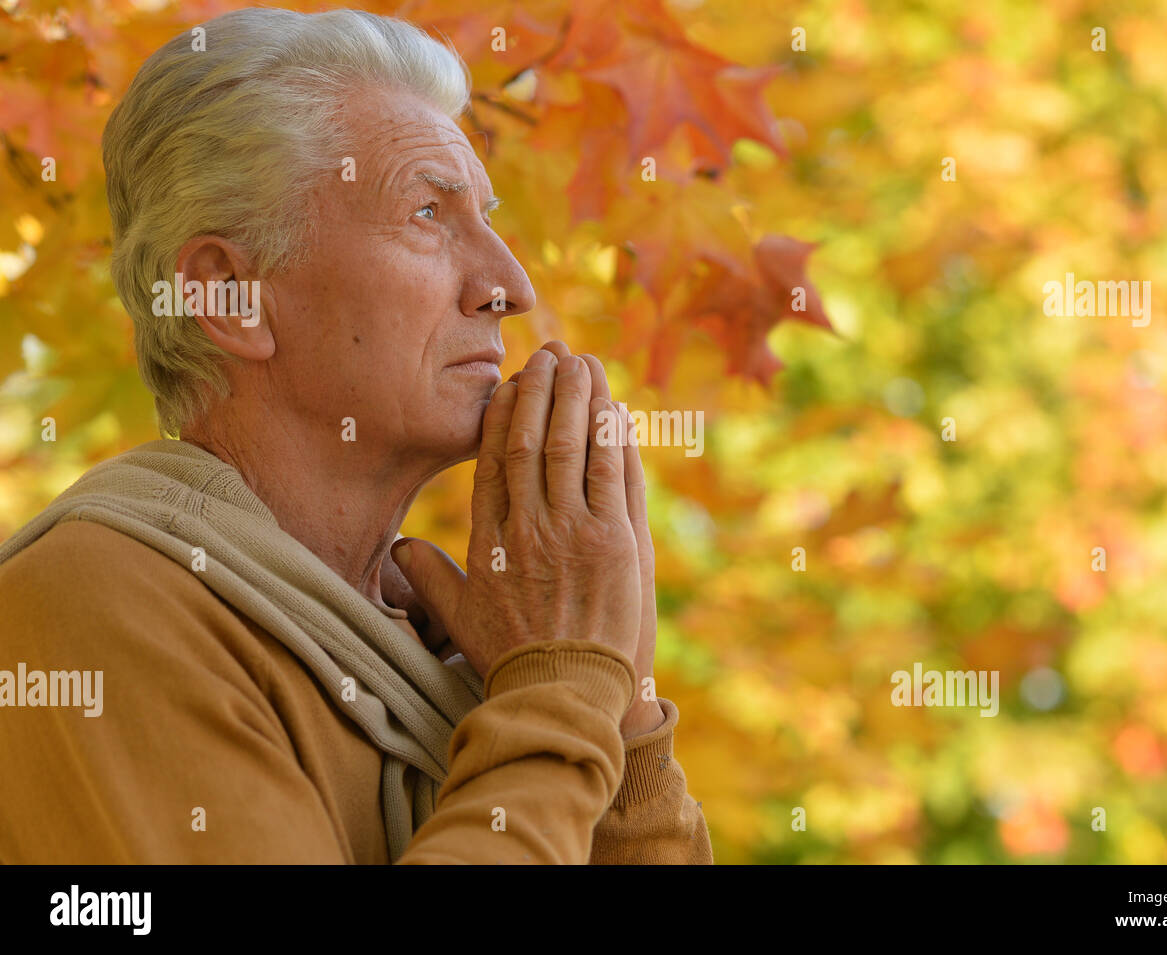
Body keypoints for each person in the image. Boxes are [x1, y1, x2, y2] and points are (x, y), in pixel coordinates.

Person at [0, 7, 711, 865]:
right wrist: (560, 693)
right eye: (425, 214)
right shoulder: (97, 604)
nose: (509, 285)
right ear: (231, 294)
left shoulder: (448, 653)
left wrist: (619, 721)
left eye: (487, 218)